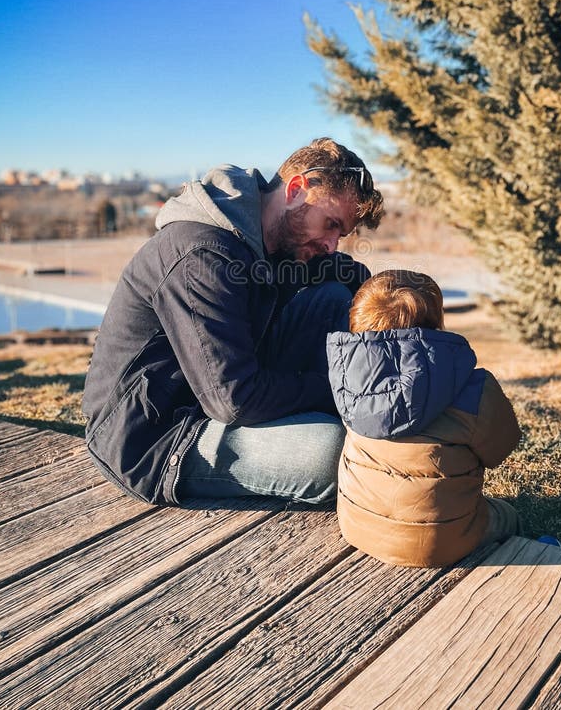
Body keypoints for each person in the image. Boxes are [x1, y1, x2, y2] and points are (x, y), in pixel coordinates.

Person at [82, 138, 383, 507]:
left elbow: (342, 271)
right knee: (329, 453)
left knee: (334, 298)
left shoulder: (272, 238)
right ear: (295, 191)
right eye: (331, 224)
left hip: (220, 387)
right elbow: (234, 399)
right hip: (156, 434)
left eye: (341, 234)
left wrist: (394, 301)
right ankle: (341, 413)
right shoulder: (202, 254)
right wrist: (333, 388)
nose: (332, 244)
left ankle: (360, 410)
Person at [326, 269, 522, 567]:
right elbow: (501, 446)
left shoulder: (347, 379)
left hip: (356, 523)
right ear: (436, 323)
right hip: (438, 543)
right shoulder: (474, 387)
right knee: (508, 515)